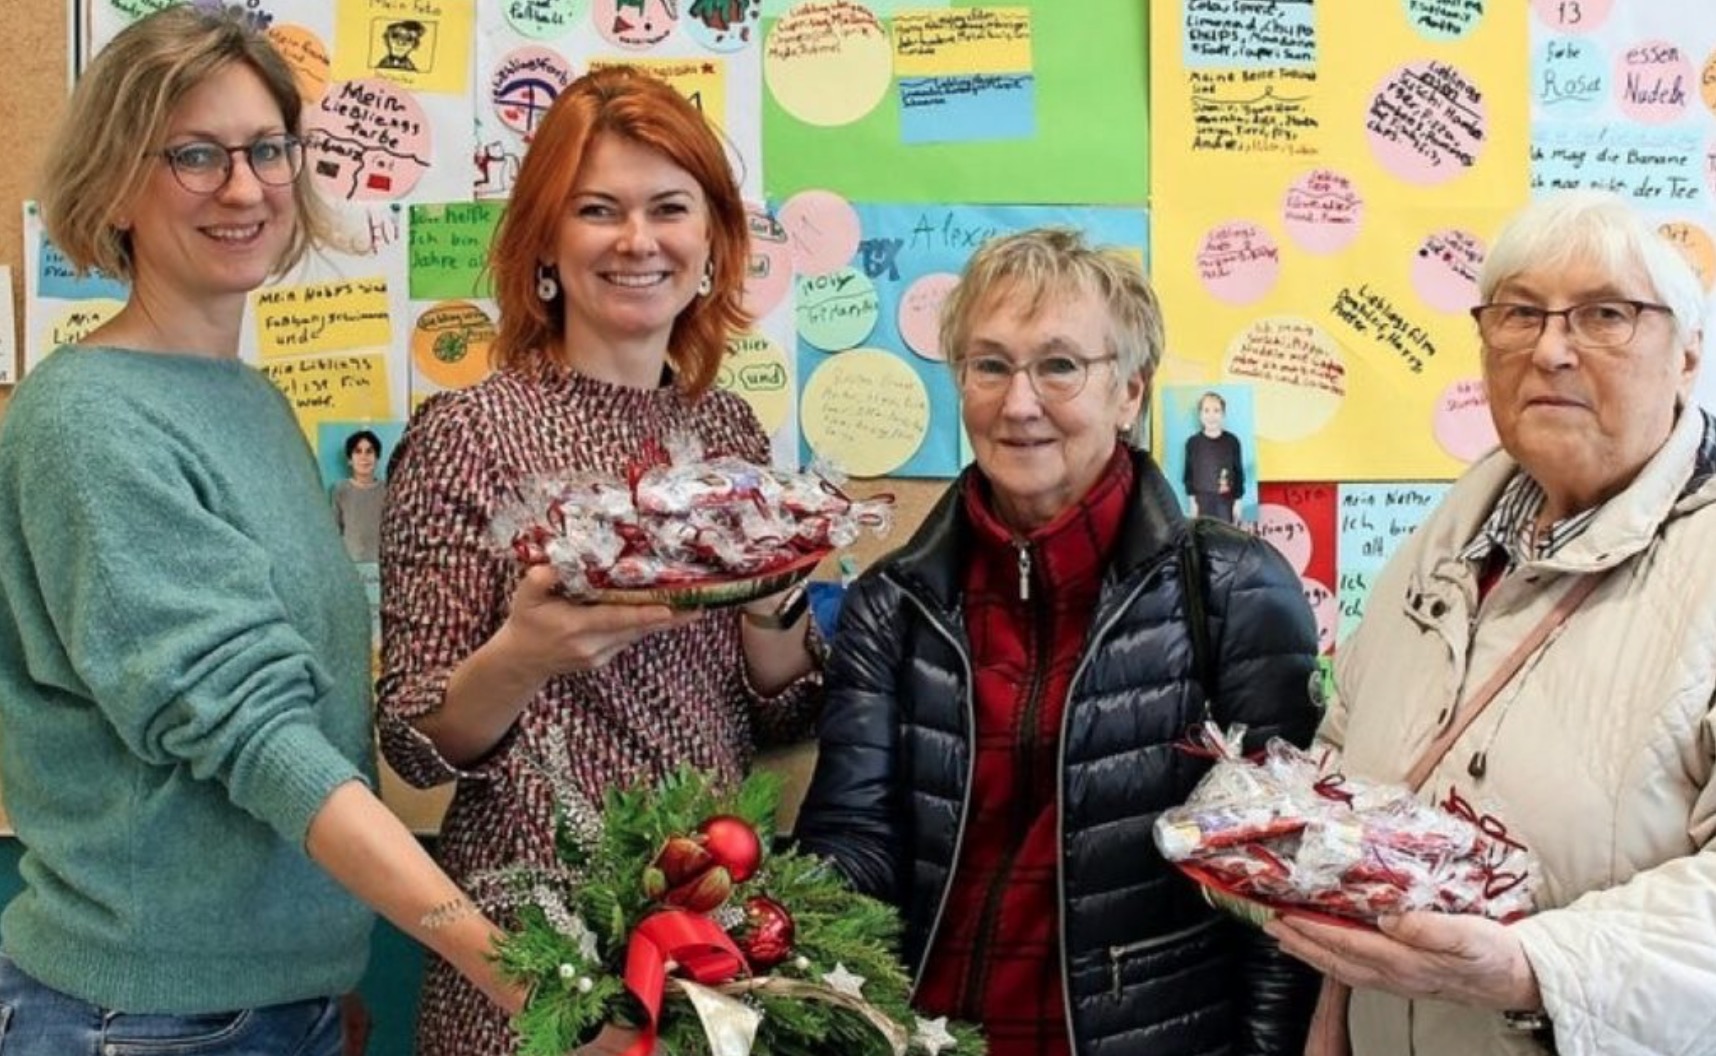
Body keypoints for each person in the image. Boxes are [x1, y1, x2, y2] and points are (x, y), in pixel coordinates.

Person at [0, 8, 523, 1054]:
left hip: (269, 1005)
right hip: (147, 1015)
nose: (243, 188)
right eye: (193, 154)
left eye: (266, 148)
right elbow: (255, 736)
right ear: (114, 181)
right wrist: (522, 978)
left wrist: (317, 982)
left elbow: (308, 706)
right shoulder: (86, 421)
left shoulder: (252, 404)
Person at [377, 65, 823, 1056]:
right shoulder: (469, 437)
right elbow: (413, 742)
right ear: (544, 242)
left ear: (711, 244)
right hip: (527, 955)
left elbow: (783, 714)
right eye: (596, 209)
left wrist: (774, 614)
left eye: (669, 208)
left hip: (717, 930)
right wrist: (523, 655)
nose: (637, 240)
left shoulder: (733, 436)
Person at [792, 228, 1322, 1056]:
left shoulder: (1230, 590)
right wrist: (740, 916)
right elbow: (855, 846)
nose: (1019, 402)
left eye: (1060, 366)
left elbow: (1285, 899)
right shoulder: (893, 605)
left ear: (1130, 393)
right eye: (990, 365)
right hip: (934, 1038)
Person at [1267, 189, 1716, 1056]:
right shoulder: (1444, 540)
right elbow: (1350, 737)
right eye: (1518, 313)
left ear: (1688, 354)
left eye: (1605, 315)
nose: (1550, 349)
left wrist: (1533, 969)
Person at [1183, 390, 1245, 523]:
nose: (1211, 416)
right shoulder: (1192, 443)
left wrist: (1238, 502)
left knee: (1225, 537)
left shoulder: (1232, 441)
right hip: (1202, 501)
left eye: (1216, 410)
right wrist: (1192, 502)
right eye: (1206, 410)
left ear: (1223, 414)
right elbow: (1188, 474)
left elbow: (1239, 473)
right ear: (1200, 415)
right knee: (1203, 539)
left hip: (1225, 501)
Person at [332, 429, 386, 562]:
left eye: (369, 451)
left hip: (382, 564)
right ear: (349, 460)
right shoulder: (340, 490)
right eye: (357, 451)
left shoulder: (388, 490)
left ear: (377, 457)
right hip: (350, 564)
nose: (364, 457)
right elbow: (334, 531)